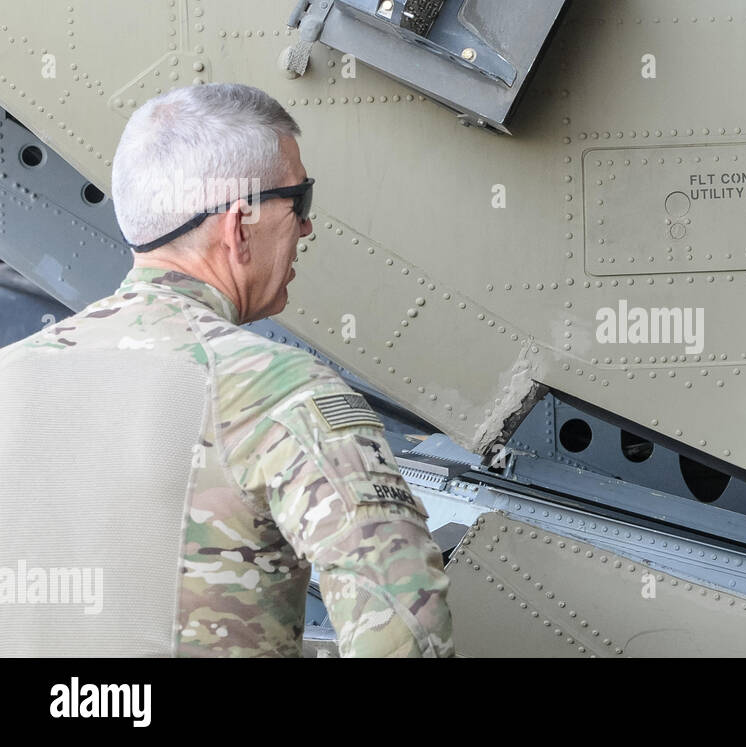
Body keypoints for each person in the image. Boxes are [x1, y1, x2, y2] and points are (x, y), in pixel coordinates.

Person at [0, 83, 453, 657]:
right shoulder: (278, 392)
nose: (307, 229)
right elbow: (405, 628)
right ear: (238, 227)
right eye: (300, 202)